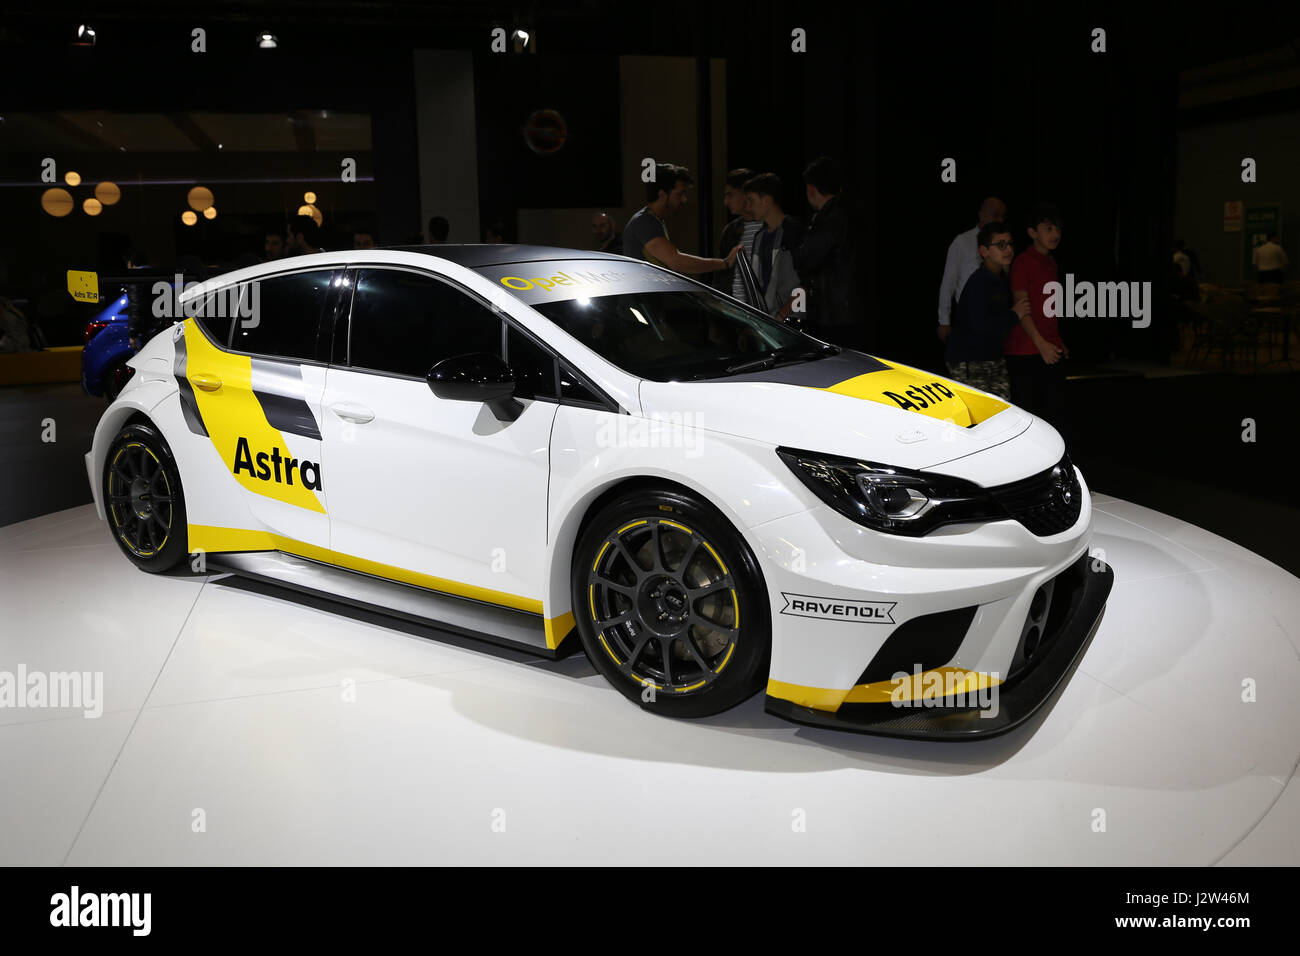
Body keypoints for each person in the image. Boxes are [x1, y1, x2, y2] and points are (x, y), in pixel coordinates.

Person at [946, 222, 1027, 399]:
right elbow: (980, 326)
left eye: (1010, 244)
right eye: (1000, 245)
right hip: (970, 360)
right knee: (980, 414)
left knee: (1003, 409)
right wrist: (1014, 315)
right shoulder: (979, 282)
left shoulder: (1001, 277)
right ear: (984, 251)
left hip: (993, 357)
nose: (1008, 249)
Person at [1007, 204, 1067, 431]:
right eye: (1048, 228)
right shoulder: (1023, 263)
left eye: (1058, 229)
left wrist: (1057, 339)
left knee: (1054, 414)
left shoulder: (1051, 262)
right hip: (1026, 350)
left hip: (1048, 347)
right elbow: (1023, 308)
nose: (1055, 234)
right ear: (1032, 232)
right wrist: (1042, 344)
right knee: (1028, 417)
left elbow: (1047, 307)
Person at [622, 163, 740, 276]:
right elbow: (677, 261)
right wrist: (725, 263)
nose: (684, 199)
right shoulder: (645, 222)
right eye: (679, 194)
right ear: (662, 194)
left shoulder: (653, 220)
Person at [793, 156, 857, 344]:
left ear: (811, 189)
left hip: (834, 315)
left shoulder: (829, 220)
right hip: (850, 311)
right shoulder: (850, 213)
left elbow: (805, 260)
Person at [938, 196, 1007, 344]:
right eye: (995, 215)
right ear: (981, 214)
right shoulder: (962, 242)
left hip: (995, 315)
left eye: (1002, 216)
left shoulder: (1004, 243)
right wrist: (944, 321)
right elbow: (949, 282)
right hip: (968, 316)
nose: (1000, 220)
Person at [742, 173, 806, 320]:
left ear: (767, 201)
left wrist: (784, 314)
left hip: (792, 322)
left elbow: (806, 283)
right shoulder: (760, 237)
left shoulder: (793, 232)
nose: (748, 207)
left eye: (751, 200)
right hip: (769, 322)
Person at [714, 168, 760, 302]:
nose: (726, 202)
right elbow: (721, 277)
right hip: (736, 311)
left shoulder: (771, 226)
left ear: (746, 193)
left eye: (730, 195)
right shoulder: (731, 230)